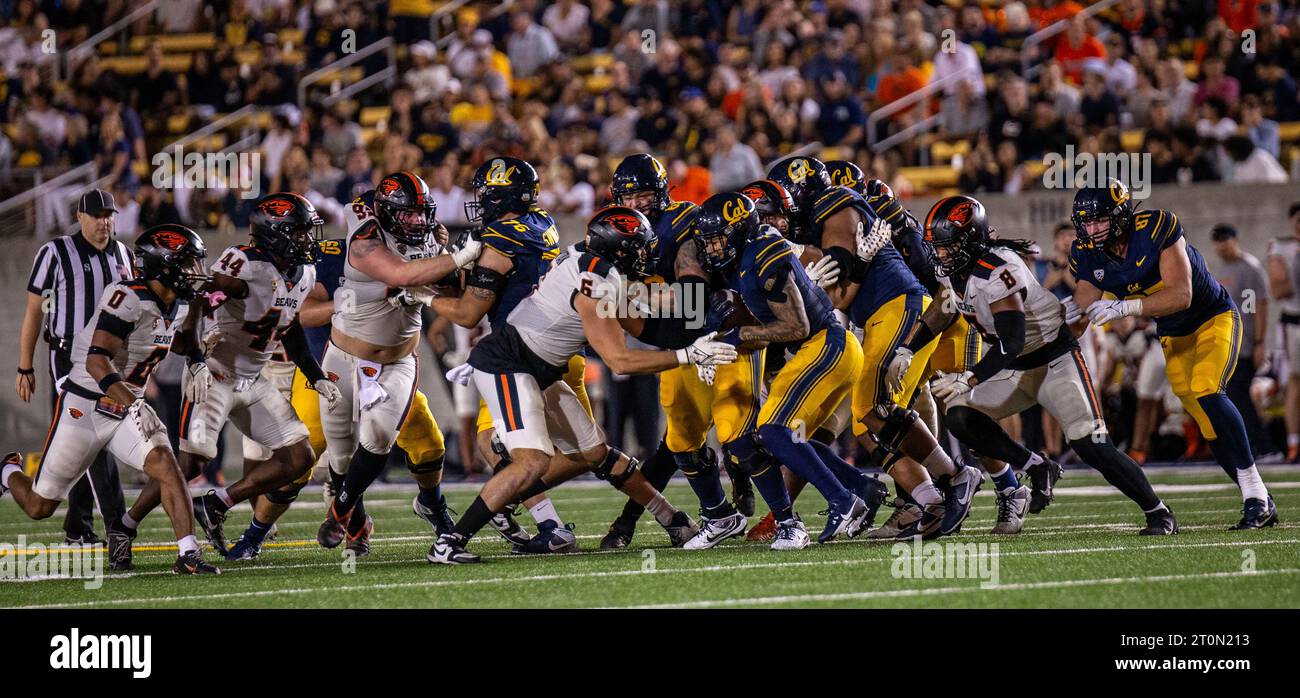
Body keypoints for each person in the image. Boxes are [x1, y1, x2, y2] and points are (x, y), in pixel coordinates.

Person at [428, 206, 732, 563]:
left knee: (593, 452)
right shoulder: (595, 284)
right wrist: (688, 356)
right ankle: (450, 541)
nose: (645, 253)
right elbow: (620, 360)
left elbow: (646, 327)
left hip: (540, 369)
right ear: (618, 248)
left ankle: (672, 518)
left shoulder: (595, 268)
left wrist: (701, 327)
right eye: (637, 246)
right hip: (509, 366)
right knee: (532, 461)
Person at [3, 225, 222, 573]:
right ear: (163, 266)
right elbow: (96, 360)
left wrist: (196, 358)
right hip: (86, 405)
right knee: (38, 506)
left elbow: (173, 337)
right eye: (187, 263)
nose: (195, 272)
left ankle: (188, 553)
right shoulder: (128, 297)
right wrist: (135, 403)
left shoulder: (180, 300)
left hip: (124, 406)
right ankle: (9, 470)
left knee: (167, 463)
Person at [1070, 179, 1277, 529]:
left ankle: (1256, 494)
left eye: (1100, 220)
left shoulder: (1155, 228)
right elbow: (1081, 306)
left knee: (1208, 389)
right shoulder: (1085, 253)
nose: (1092, 229)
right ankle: (1257, 499)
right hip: (1172, 332)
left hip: (1212, 317)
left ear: (1120, 214)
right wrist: (1061, 318)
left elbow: (1181, 294)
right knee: (1207, 421)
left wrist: (1124, 307)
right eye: (1086, 222)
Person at [16, 189, 131, 547]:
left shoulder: (124, 254)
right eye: (97, 215)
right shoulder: (55, 252)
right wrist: (25, 367)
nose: (104, 222)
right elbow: (35, 312)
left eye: (109, 215)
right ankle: (117, 527)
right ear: (80, 218)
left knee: (79, 439)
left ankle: (78, 528)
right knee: (93, 433)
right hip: (68, 357)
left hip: (110, 359)